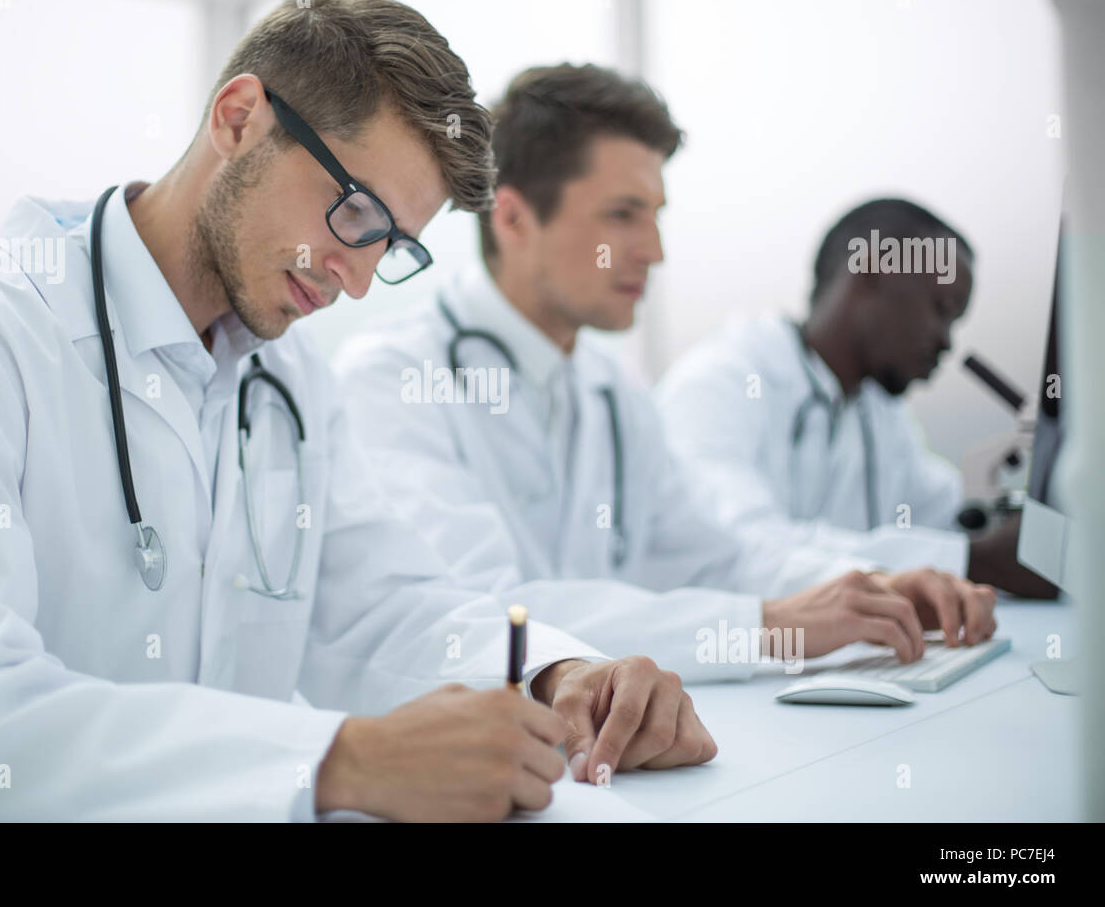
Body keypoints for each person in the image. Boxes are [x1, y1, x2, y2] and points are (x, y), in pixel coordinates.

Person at [0, 0, 718, 824]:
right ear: (239, 117)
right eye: (356, 215)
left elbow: (382, 606)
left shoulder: (286, 382)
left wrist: (563, 675)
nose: (359, 280)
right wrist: (335, 760)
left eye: (394, 246)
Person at [334, 64, 997, 682]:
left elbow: (718, 556)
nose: (653, 251)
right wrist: (770, 626)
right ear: (512, 218)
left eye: (655, 217)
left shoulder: (611, 388)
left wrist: (869, 584)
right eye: (623, 215)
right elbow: (487, 615)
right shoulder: (393, 380)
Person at [656, 197, 1058, 599]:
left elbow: (943, 513)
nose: (946, 341)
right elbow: (739, 549)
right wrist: (975, 561)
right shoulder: (721, 382)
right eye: (942, 308)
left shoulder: (876, 409)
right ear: (869, 272)